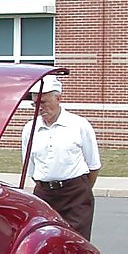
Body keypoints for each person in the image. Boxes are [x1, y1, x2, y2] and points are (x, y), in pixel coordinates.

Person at [21, 76, 101, 240]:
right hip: (44, 195)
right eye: (35, 103)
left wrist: (81, 189)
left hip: (76, 195)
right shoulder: (30, 129)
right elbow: (30, 168)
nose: (39, 108)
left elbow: (94, 166)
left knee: (76, 244)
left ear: (58, 99)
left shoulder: (79, 125)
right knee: (45, 243)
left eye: (43, 102)